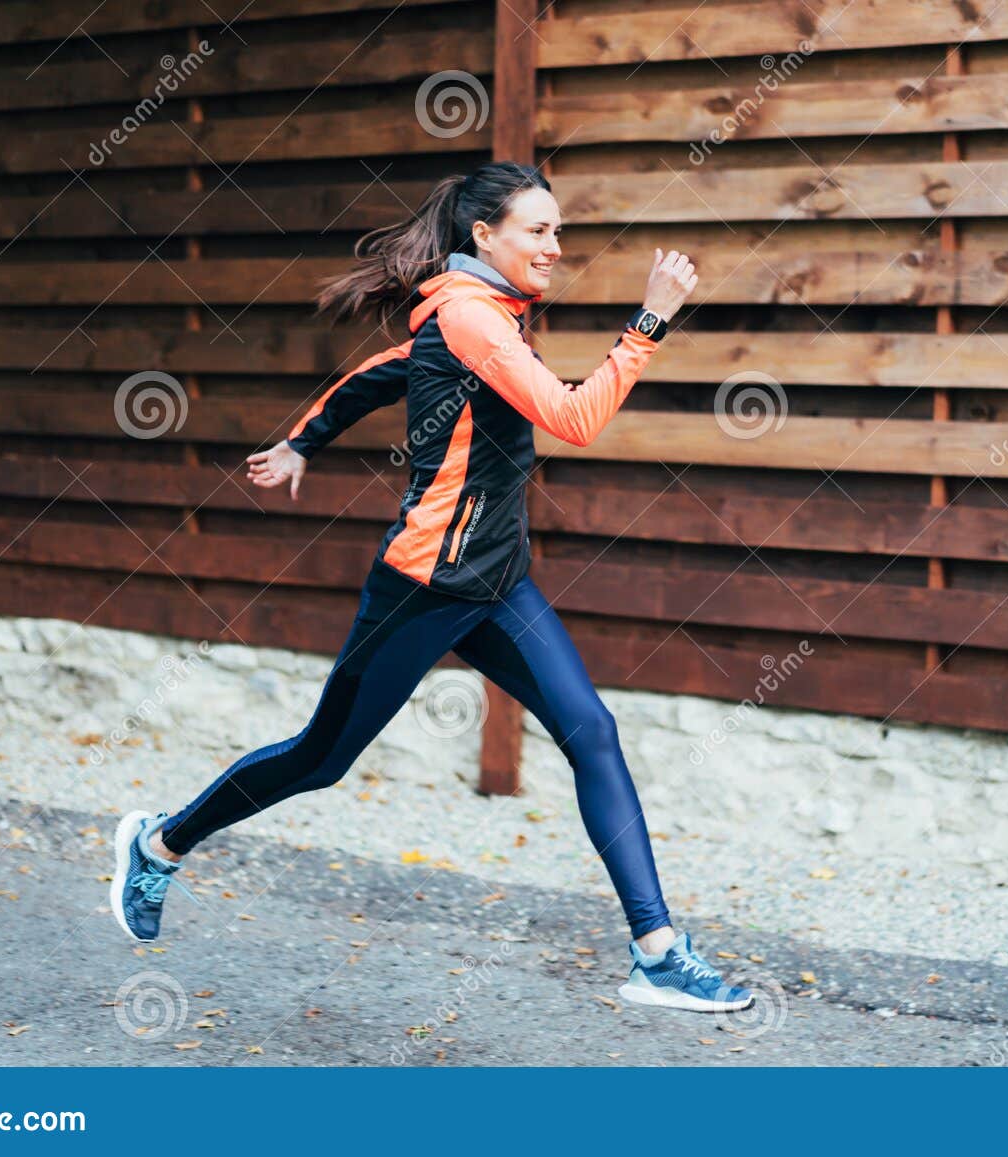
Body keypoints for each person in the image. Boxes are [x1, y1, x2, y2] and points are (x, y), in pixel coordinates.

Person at [110, 161, 752, 1014]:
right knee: (320, 758)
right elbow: (575, 418)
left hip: (496, 582)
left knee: (592, 731)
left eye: (560, 231)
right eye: (538, 230)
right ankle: (159, 844)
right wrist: (650, 322)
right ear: (484, 236)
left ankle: (657, 951)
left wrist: (305, 439)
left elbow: (382, 370)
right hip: (423, 585)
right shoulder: (472, 317)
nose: (555, 247)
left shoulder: (477, 315)